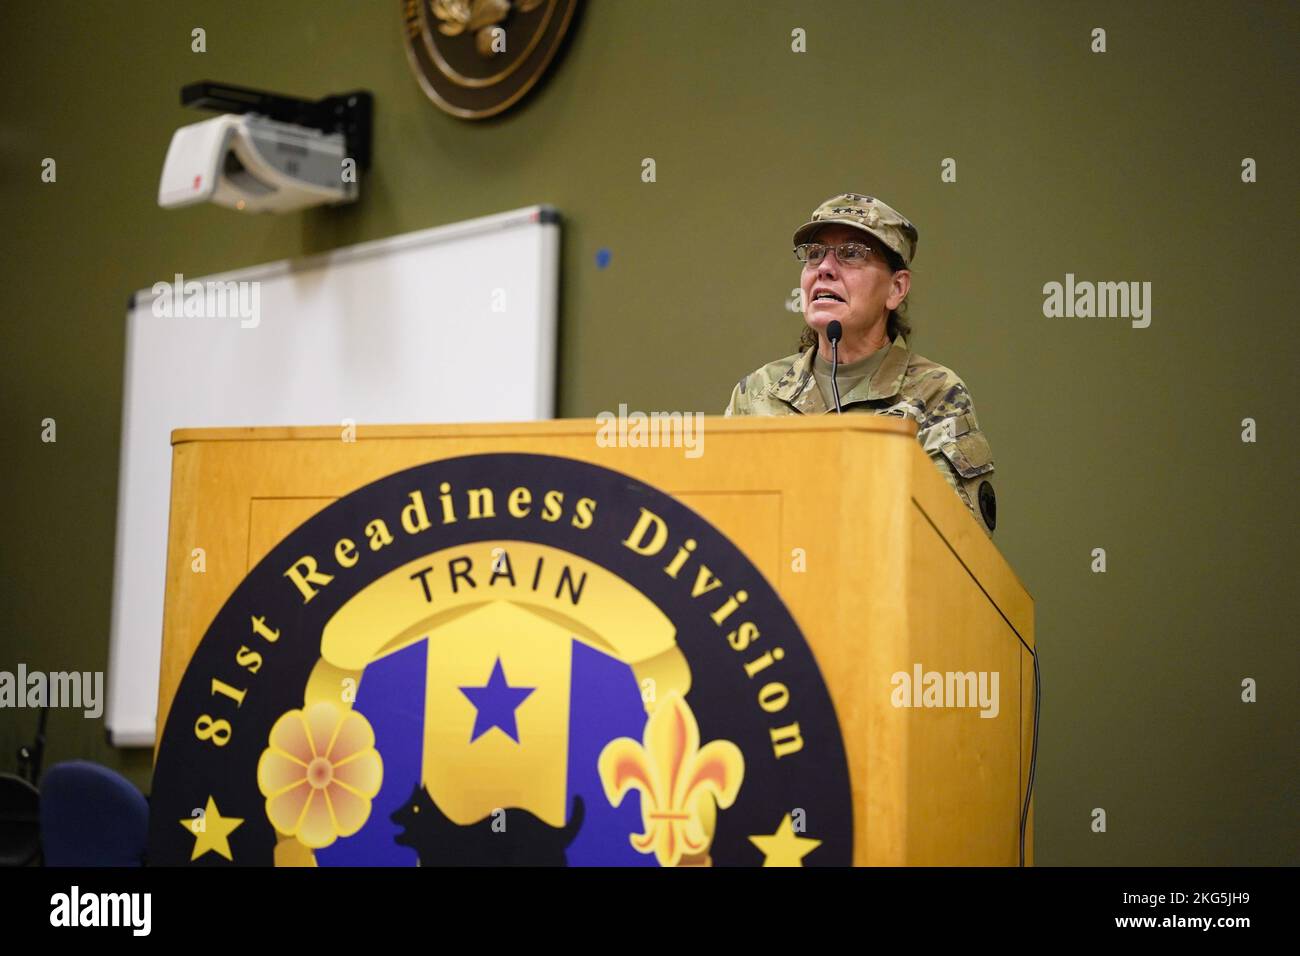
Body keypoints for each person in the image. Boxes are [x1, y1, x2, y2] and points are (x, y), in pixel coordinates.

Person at [724, 193, 998, 535]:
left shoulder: (934, 393)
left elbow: (953, 541)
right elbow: (722, 525)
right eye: (814, 255)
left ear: (896, 288)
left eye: (851, 254)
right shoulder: (758, 392)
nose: (824, 268)